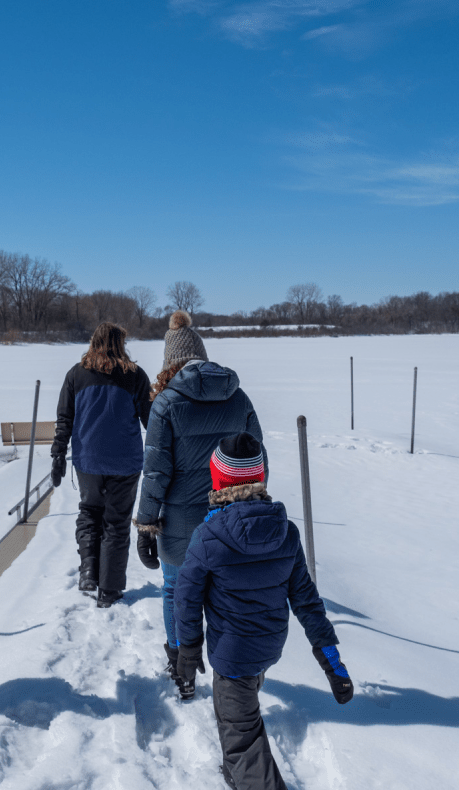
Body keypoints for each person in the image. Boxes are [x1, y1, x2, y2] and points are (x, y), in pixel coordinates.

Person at [174, 433, 354, 790]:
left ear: (218, 480)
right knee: (237, 711)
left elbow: (186, 598)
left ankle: (245, 772)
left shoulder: (208, 537)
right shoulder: (285, 532)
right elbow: (306, 599)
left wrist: (188, 650)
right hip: (268, 647)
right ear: (260, 477)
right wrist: (331, 660)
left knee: (243, 739)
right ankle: (234, 772)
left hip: (232, 655)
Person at [134, 310, 265, 694]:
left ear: (169, 362)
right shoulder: (238, 397)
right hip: (229, 522)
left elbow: (155, 473)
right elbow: (257, 460)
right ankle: (233, 674)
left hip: (179, 525)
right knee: (225, 594)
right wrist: (255, 511)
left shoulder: (165, 404)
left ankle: (181, 668)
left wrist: (146, 525)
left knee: (175, 591)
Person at [50, 322, 152, 608]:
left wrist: (58, 454)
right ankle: (109, 590)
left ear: (93, 342)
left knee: (90, 512)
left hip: (88, 460)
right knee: (116, 523)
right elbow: (151, 421)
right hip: (125, 462)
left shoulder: (76, 374)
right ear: (120, 344)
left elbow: (64, 419)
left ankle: (88, 572)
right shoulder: (135, 375)